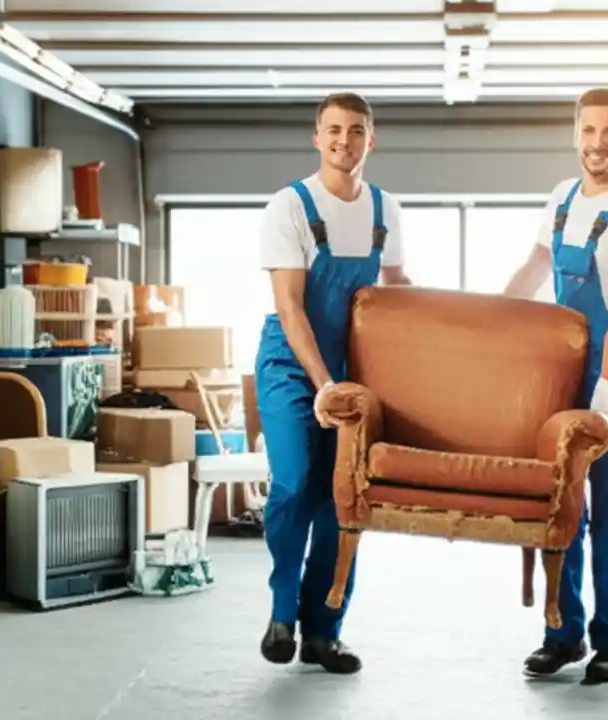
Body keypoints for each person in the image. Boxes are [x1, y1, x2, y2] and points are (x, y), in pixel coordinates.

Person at [503, 87, 608, 685]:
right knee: (559, 499)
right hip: (563, 363)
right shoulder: (561, 198)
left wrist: (601, 395)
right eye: (588, 131)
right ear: (575, 133)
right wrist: (491, 315)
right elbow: (535, 266)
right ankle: (561, 633)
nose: (597, 143)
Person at [255, 92, 411, 675]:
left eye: (356, 130)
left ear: (372, 139)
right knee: (296, 481)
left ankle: (325, 631)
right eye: (333, 130)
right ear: (316, 137)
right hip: (293, 367)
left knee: (340, 499)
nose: (344, 140)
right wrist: (324, 386)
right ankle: (281, 611)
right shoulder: (289, 206)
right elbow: (292, 309)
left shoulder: (384, 209)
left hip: (354, 369)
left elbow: (397, 291)